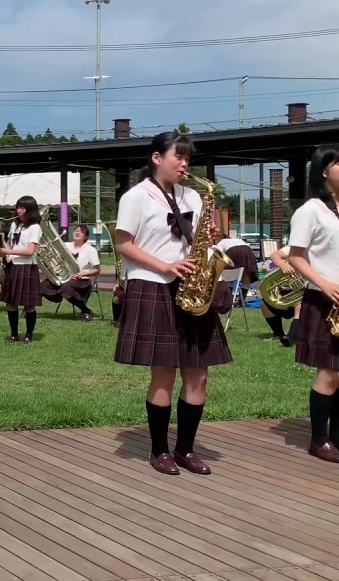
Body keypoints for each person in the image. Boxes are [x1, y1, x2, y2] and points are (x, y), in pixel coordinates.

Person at [114, 131, 230, 476]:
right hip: (154, 285)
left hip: (194, 287)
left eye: (187, 159)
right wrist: (165, 265)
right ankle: (160, 450)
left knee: (199, 375)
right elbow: (123, 243)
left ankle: (186, 449)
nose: (184, 164)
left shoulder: (193, 195)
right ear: (156, 158)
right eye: (178, 157)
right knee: (163, 374)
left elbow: (203, 240)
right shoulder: (137, 197)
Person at [285, 144, 339, 464]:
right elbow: (296, 257)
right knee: (330, 372)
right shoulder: (310, 211)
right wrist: (326, 285)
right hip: (325, 299)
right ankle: (318, 440)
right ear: (324, 171)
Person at [0, 196, 42, 343]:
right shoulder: (15, 226)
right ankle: (14, 333)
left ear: (30, 210)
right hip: (14, 267)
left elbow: (30, 250)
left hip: (27, 267)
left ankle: (29, 334)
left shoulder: (35, 227)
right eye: (18, 207)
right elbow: (12, 247)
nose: (18, 210)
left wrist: (9, 252)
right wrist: (0, 244)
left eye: (22, 208)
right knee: (11, 303)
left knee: (28, 304)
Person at [40, 224, 102, 321]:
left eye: (81, 231)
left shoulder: (91, 250)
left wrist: (82, 274)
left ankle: (86, 310)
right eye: (76, 230)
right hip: (63, 278)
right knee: (42, 285)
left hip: (81, 281)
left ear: (85, 237)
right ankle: (29, 311)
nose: (77, 232)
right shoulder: (64, 245)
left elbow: (97, 270)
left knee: (65, 289)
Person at [262, 245, 299, 345]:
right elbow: (274, 255)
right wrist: (283, 265)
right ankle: (278, 333)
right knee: (265, 302)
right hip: (289, 289)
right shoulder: (295, 246)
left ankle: (291, 337)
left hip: (304, 292)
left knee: (298, 306)